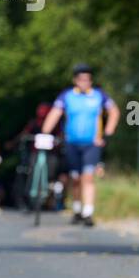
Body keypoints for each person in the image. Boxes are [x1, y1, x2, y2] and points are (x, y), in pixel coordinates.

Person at [41, 64, 119, 227]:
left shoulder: (99, 96)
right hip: (71, 143)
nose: (84, 82)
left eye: (87, 79)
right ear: (75, 80)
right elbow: (55, 114)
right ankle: (77, 209)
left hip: (92, 143)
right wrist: (45, 132)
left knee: (88, 177)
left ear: (91, 81)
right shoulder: (67, 96)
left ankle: (88, 213)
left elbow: (114, 111)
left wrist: (107, 133)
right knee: (75, 178)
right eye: (81, 79)